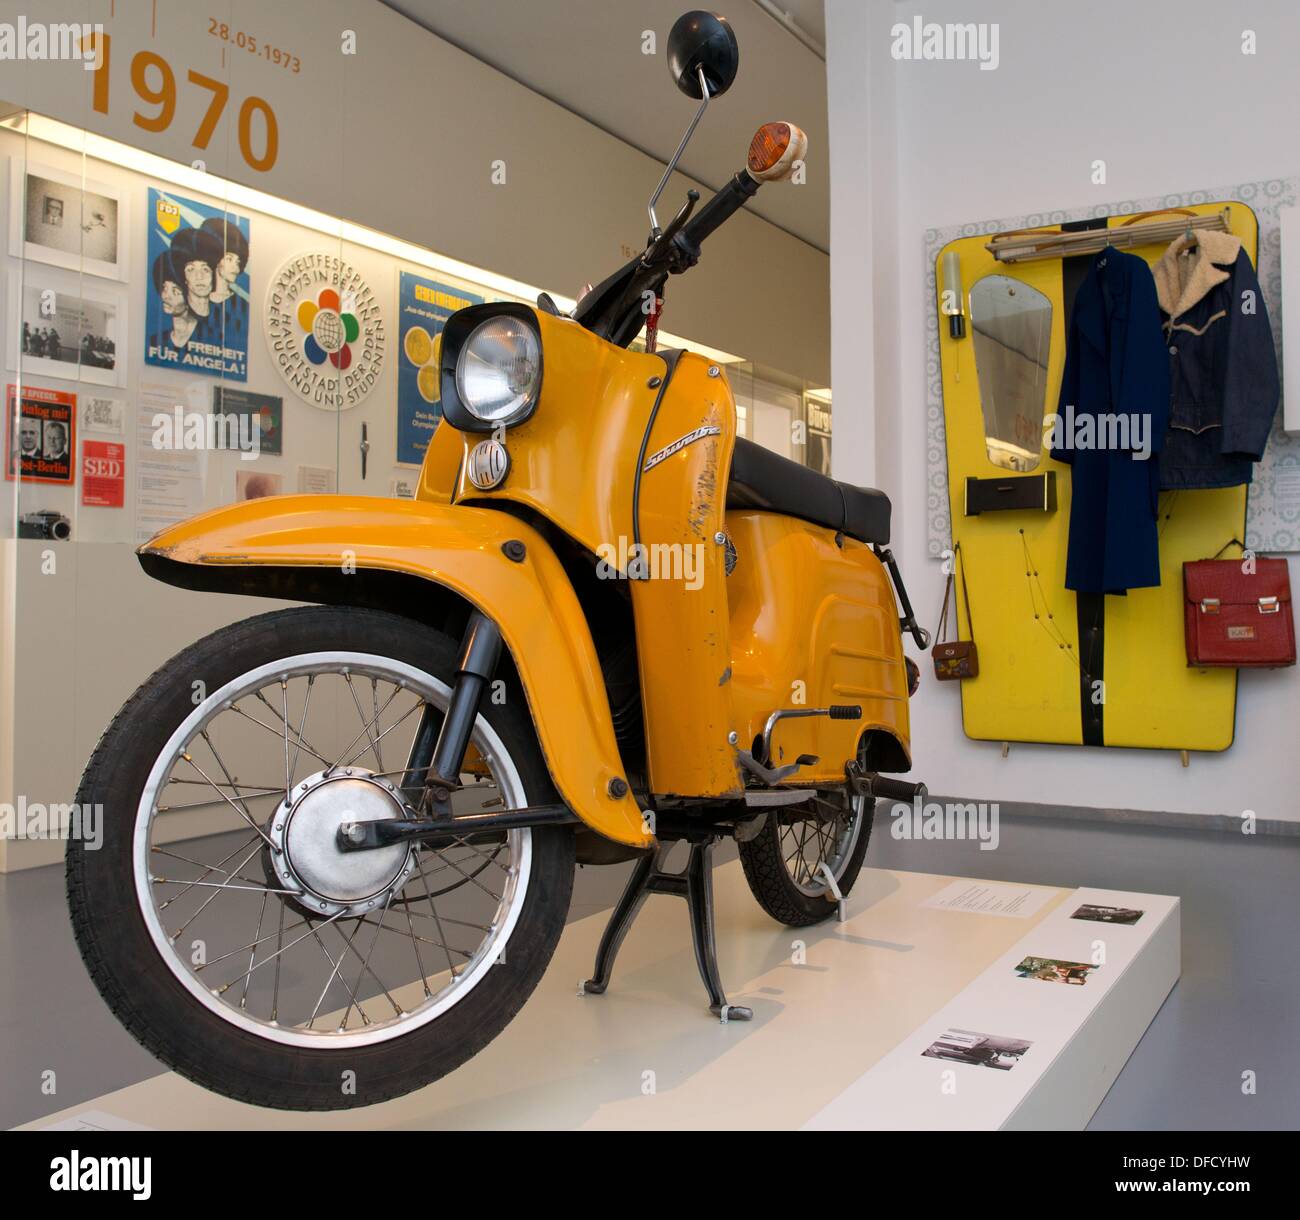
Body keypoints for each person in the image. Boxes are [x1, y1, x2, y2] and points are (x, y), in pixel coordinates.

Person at [200, 216, 250, 347]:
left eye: (238, 262)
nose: (235, 267)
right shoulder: (198, 300)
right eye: (229, 259)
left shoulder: (242, 307)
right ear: (216, 259)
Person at [150, 248, 198, 352]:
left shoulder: (205, 338)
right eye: (164, 288)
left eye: (176, 291)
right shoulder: (156, 341)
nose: (166, 296)